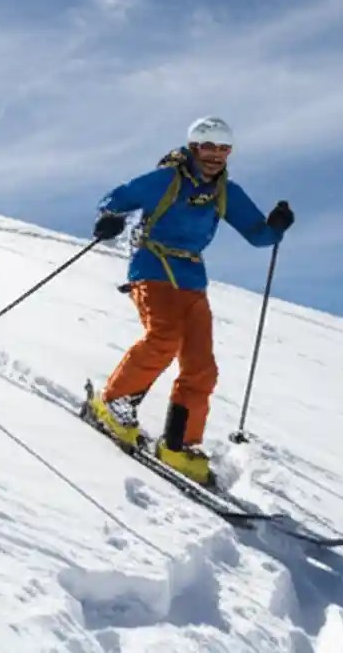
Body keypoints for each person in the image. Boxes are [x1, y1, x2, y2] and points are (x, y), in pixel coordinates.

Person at [85, 116, 294, 486]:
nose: (215, 156)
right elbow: (115, 199)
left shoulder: (226, 192)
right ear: (194, 147)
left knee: (202, 366)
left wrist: (276, 226)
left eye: (223, 149)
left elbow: (259, 236)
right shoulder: (167, 179)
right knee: (163, 338)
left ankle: (178, 444)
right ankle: (113, 403)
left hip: (192, 279)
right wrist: (109, 219)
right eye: (208, 147)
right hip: (152, 267)